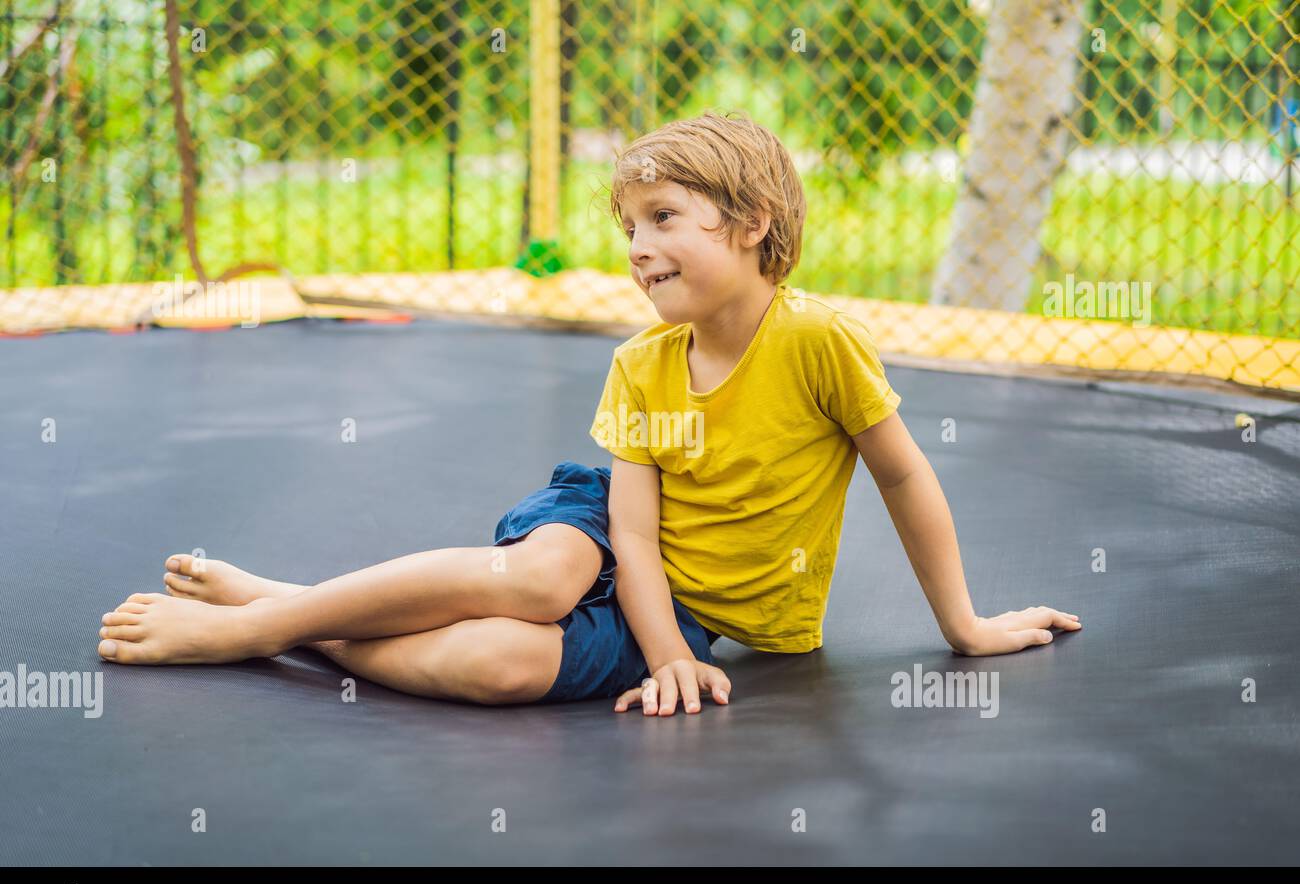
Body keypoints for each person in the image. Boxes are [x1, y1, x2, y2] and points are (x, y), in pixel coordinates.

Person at [96, 110, 1081, 715]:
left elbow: (904, 472)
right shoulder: (642, 365)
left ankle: (280, 607)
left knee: (502, 664)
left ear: (750, 224)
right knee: (546, 570)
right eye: (627, 227)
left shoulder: (818, 341)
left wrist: (964, 624)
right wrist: (655, 657)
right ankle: (238, 632)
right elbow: (634, 536)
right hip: (601, 529)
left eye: (662, 219)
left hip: (697, 613)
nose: (636, 246)